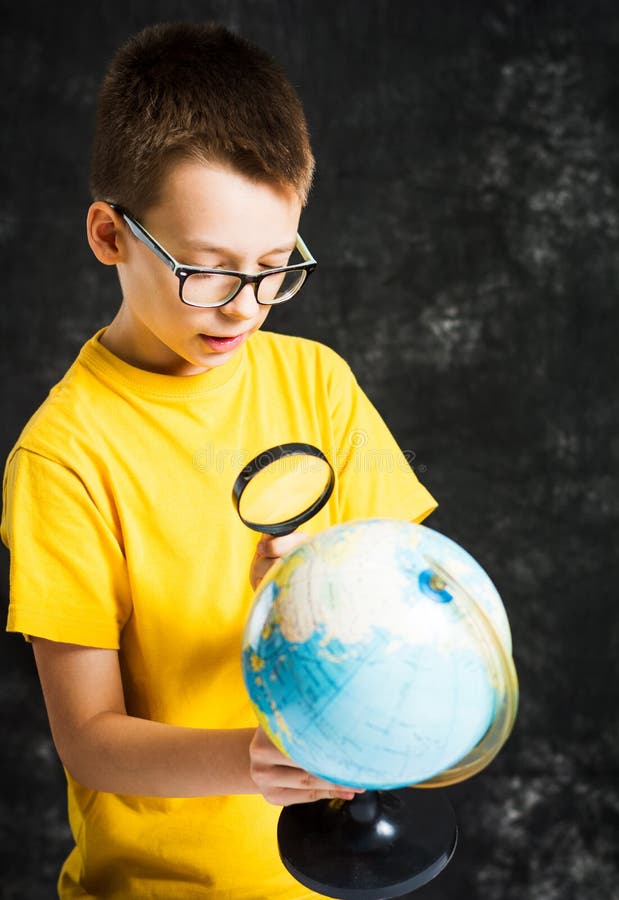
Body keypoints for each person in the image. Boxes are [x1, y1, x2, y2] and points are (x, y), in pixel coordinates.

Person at [1, 22, 437, 900]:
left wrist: (344, 575)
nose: (245, 308)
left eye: (275, 268)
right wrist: (249, 762)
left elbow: (413, 596)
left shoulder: (317, 381)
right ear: (109, 235)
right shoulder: (64, 456)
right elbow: (88, 737)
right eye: (208, 271)